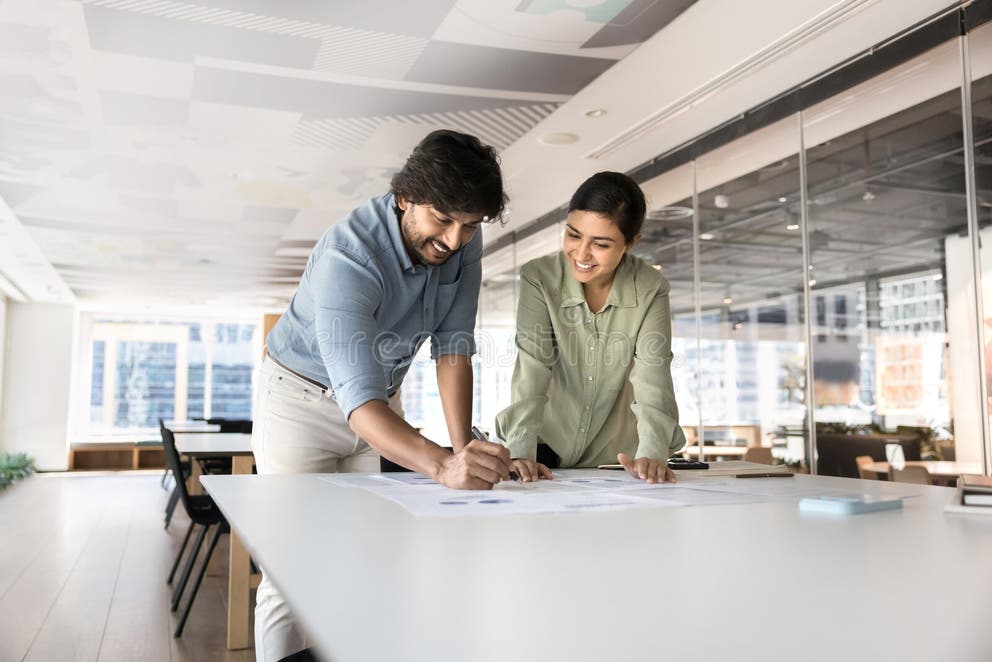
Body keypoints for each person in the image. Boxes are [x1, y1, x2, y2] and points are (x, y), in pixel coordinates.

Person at [254, 129, 513, 662]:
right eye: (442, 220)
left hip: (380, 401)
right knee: (291, 568)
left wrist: (463, 451)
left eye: (470, 226)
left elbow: (453, 349)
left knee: (366, 556)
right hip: (299, 403)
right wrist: (443, 468)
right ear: (405, 197)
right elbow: (360, 406)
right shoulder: (348, 257)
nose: (455, 240)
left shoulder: (462, 235)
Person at [494, 171, 686, 484]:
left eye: (601, 244)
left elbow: (653, 374)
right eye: (573, 235)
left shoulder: (651, 288)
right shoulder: (539, 278)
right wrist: (518, 449)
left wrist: (653, 450)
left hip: (619, 462)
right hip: (544, 450)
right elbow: (533, 366)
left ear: (632, 241)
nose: (581, 254)